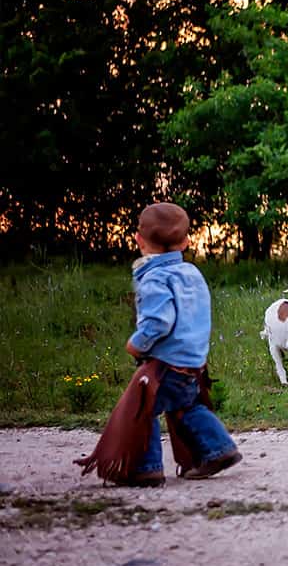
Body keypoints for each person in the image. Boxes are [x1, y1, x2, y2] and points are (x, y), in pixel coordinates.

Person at [75, 202, 242, 486]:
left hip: (165, 365)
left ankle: (146, 468)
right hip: (194, 363)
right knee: (187, 407)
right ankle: (220, 449)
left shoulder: (154, 278)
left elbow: (159, 322)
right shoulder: (192, 274)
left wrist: (137, 344)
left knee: (145, 409)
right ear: (187, 241)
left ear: (139, 240)